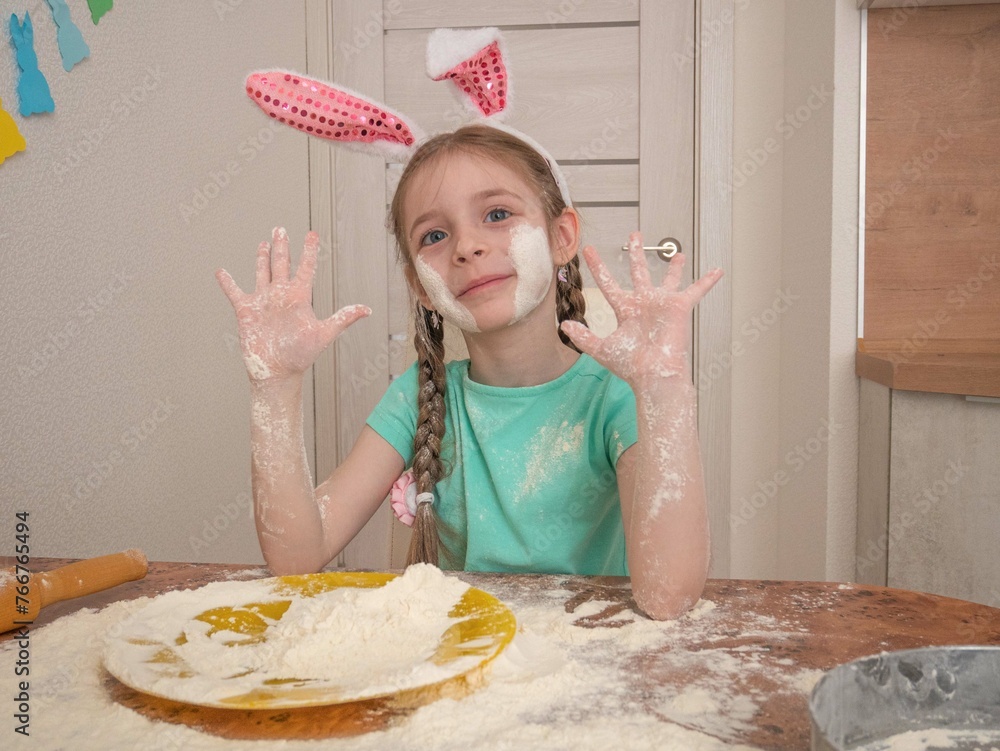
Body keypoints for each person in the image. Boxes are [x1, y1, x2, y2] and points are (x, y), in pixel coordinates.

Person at [216, 124, 722, 620]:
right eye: (435, 234)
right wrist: (275, 387)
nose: (466, 246)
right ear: (419, 283)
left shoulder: (615, 397)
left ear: (561, 237)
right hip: (462, 659)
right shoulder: (417, 395)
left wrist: (664, 392)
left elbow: (668, 597)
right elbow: (298, 556)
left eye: (497, 214)